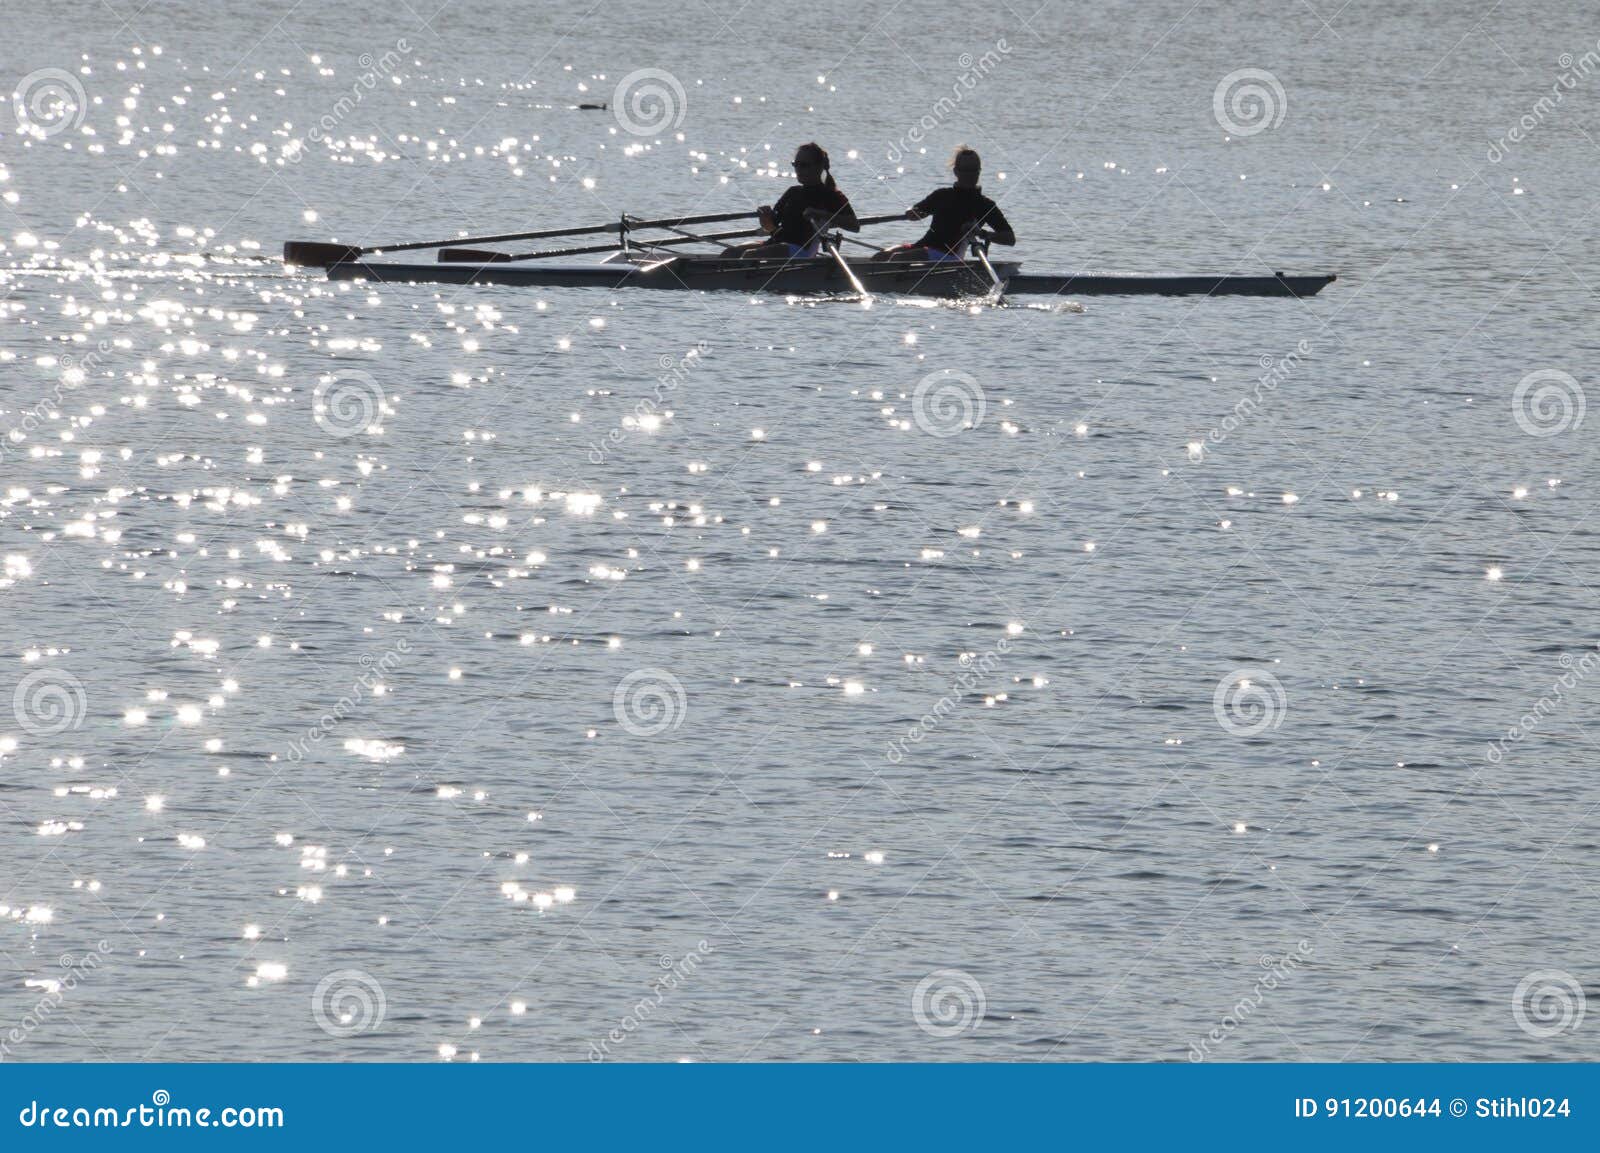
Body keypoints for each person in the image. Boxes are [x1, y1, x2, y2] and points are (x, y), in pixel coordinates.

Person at [873, 146, 1015, 261]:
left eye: (973, 171)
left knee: (898, 258)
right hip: (923, 248)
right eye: (965, 171)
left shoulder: (985, 205)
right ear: (956, 172)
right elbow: (915, 209)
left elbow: (1010, 238)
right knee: (882, 256)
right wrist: (913, 212)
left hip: (950, 257)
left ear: (979, 172)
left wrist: (982, 233)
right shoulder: (942, 195)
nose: (970, 175)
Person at [738, 143, 860, 259]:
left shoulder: (830, 195)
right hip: (779, 244)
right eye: (796, 164)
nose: (798, 169)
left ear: (819, 167)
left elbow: (854, 225)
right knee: (732, 252)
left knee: (750, 255)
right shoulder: (792, 192)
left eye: (804, 165)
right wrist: (765, 218)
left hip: (803, 251)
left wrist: (821, 214)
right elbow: (771, 228)